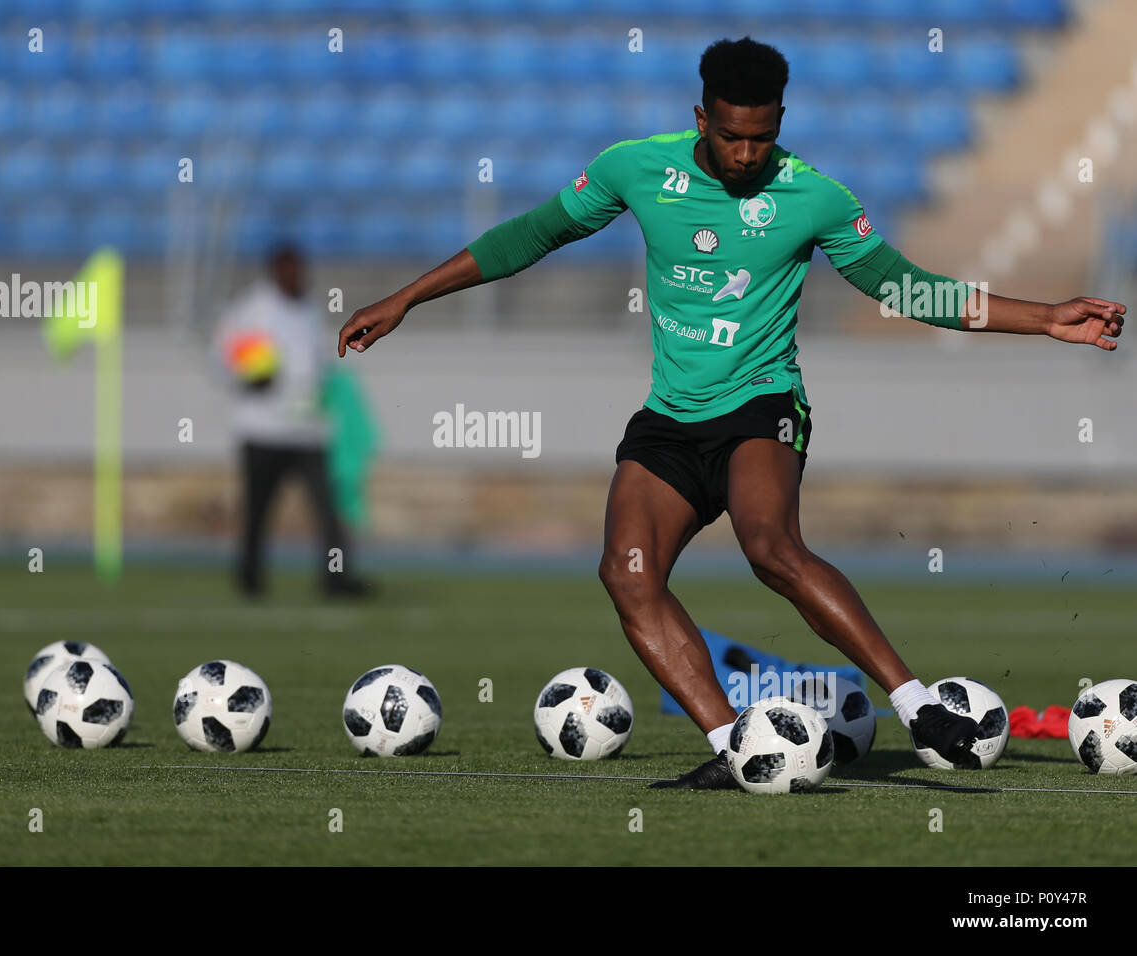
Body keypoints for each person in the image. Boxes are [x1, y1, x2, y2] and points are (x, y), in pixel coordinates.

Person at [335, 37, 1125, 787]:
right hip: (671, 419)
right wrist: (406, 297)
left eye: (763, 137)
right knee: (627, 575)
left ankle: (917, 706)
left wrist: (1045, 317)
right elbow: (530, 236)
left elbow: (906, 288)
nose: (748, 155)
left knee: (769, 545)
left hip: (762, 406)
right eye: (733, 137)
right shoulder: (634, 169)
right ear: (702, 117)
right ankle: (733, 745)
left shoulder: (813, 196)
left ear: (778, 121)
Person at [214, 244, 369, 599]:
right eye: (289, 269)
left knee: (329, 510)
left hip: (309, 430)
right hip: (263, 428)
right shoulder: (250, 310)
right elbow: (222, 356)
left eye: (299, 269)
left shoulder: (311, 308)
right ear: (274, 271)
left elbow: (319, 363)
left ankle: (337, 577)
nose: (296, 276)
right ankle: (250, 580)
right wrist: (244, 376)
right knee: (258, 511)